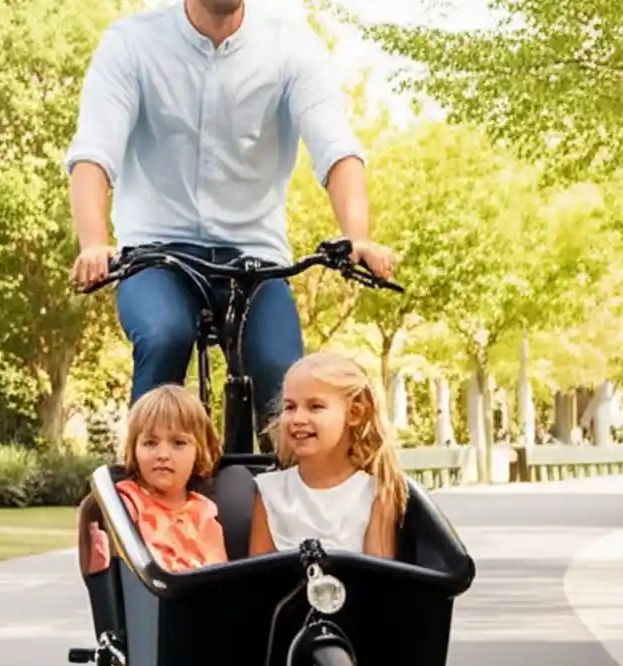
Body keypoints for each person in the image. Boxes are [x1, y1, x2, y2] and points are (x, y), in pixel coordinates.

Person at [64, 0, 397, 434]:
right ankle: (142, 490)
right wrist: (93, 242)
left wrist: (358, 236)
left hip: (255, 257)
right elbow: (94, 152)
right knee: (164, 334)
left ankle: (289, 492)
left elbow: (335, 147)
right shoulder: (132, 44)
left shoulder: (291, 48)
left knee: (284, 373)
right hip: (156, 252)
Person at [248, 352, 408, 560]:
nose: (298, 419)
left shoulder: (376, 492)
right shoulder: (271, 491)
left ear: (354, 413)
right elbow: (256, 578)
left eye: (315, 407)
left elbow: (379, 579)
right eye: (290, 407)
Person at [79, 384, 228, 576]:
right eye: (150, 443)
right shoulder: (125, 504)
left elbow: (220, 576)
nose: (163, 454)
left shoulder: (204, 511)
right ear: (134, 449)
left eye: (178, 443)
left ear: (199, 452)